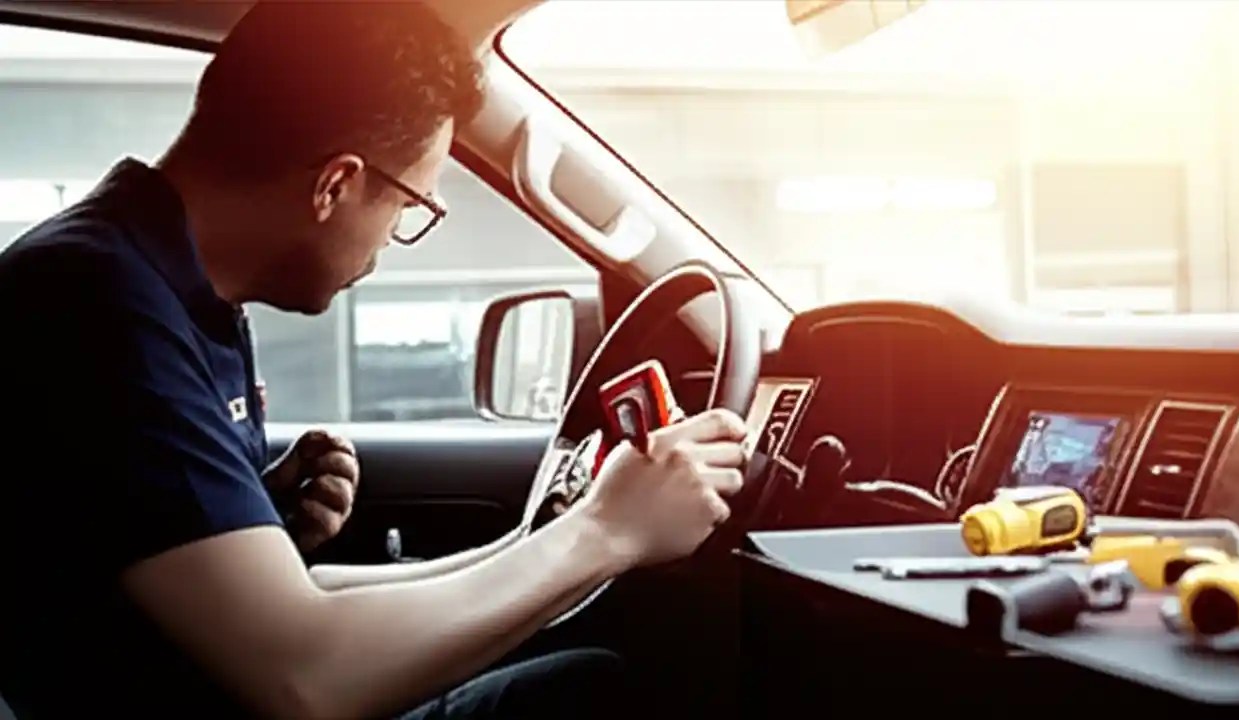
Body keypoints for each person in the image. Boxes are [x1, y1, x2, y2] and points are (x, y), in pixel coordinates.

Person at [0, 2, 747, 718]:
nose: (394, 239)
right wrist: (608, 533)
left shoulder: (162, 286)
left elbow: (294, 601)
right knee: (610, 689)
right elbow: (306, 680)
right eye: (409, 207)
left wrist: (550, 539)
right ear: (337, 183)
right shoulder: (98, 306)